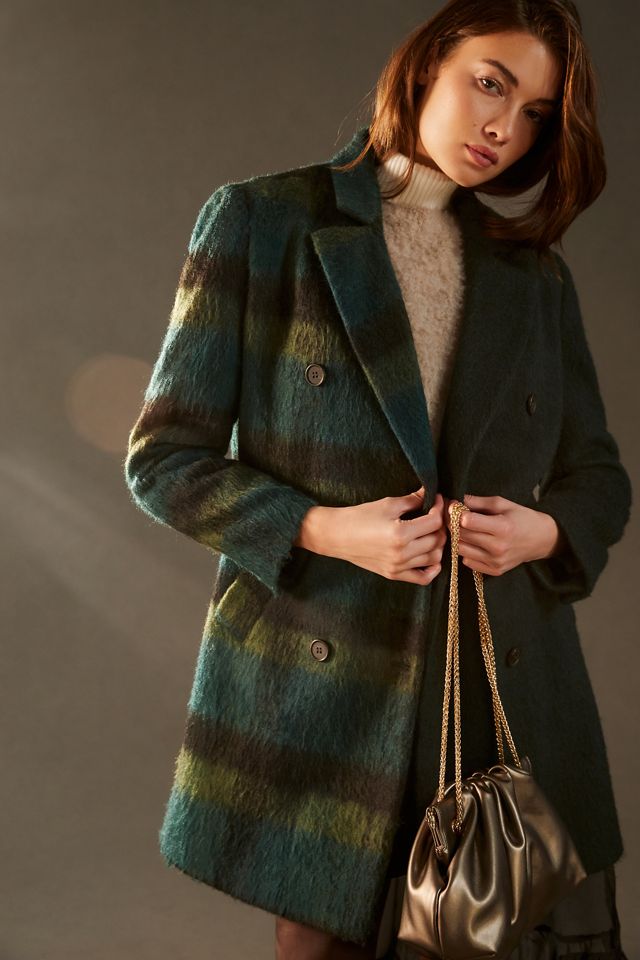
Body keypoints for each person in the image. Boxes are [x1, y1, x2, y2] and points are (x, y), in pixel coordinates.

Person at [124, 1, 631, 957]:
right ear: (428, 63)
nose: (504, 127)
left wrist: (547, 532)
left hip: (498, 684)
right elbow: (163, 459)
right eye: (491, 83)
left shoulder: (532, 275)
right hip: (331, 684)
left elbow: (598, 476)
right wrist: (323, 529)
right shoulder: (266, 222)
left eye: (534, 113)